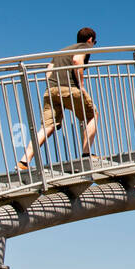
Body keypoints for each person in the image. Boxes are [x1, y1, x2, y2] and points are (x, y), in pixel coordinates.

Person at [17, 28, 99, 171]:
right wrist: (81, 85)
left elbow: (49, 69)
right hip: (70, 89)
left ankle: (24, 161)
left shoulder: (63, 50)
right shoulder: (84, 47)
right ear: (90, 39)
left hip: (51, 90)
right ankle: (87, 154)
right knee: (92, 115)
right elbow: (76, 60)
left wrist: (52, 87)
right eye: (95, 42)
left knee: (47, 126)